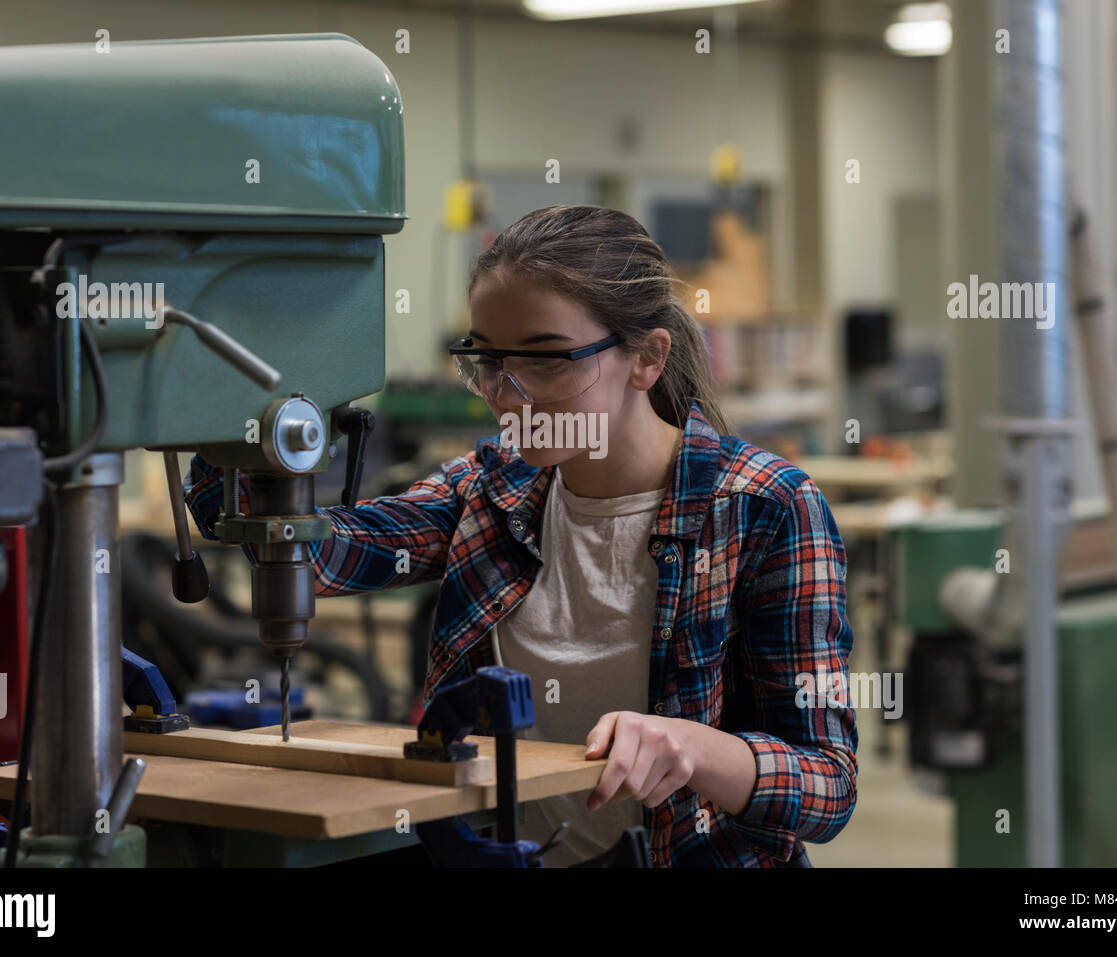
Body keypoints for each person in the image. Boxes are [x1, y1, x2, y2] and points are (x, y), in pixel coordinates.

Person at [184, 204, 858, 868]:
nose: (506, 396)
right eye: (486, 360)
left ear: (646, 358)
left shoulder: (765, 507)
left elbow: (827, 784)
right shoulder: (490, 489)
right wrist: (239, 404)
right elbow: (322, 554)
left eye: (545, 362)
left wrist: (695, 748)